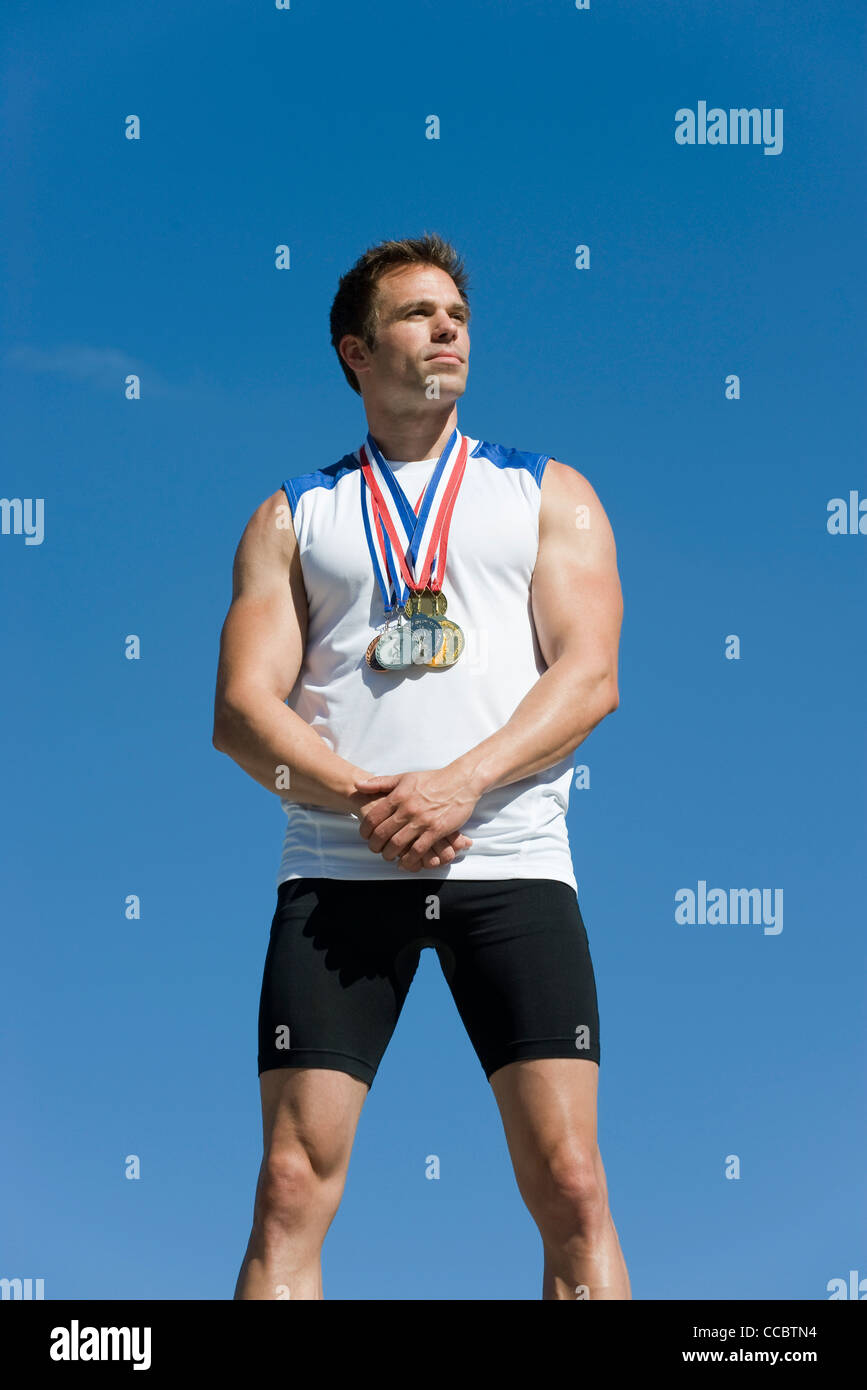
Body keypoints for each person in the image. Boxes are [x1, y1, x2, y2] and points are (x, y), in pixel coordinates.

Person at [212, 233, 629, 1300]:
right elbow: (242, 714)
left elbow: (589, 679)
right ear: (356, 350)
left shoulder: (550, 494)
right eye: (415, 313)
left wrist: (461, 784)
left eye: (458, 313)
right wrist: (373, 797)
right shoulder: (290, 516)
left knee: (574, 1186)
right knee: (289, 1188)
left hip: (515, 862)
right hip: (339, 872)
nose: (447, 328)